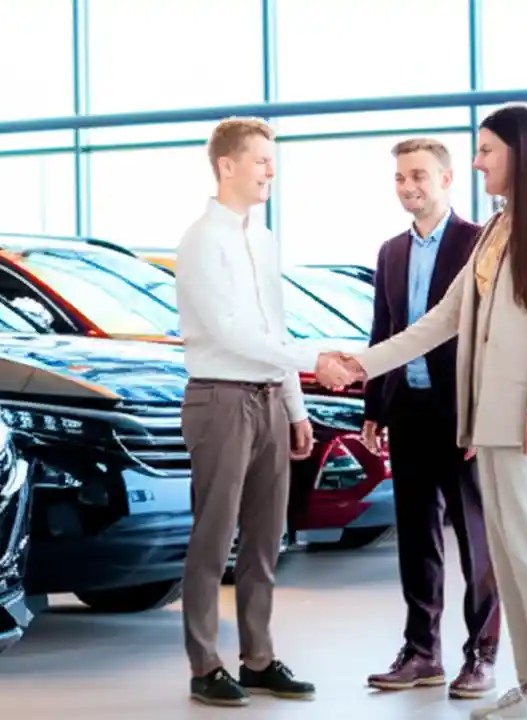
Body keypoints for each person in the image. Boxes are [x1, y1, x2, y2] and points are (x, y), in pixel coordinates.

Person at [347, 104, 527, 720]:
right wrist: (361, 365)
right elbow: (443, 320)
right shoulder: (496, 231)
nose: (477, 161)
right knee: (507, 556)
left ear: (521, 154)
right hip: (488, 422)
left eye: (487, 151)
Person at [175, 116, 359, 707]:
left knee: (264, 538)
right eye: (260, 160)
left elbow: (272, 329)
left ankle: (258, 657)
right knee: (213, 536)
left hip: (267, 401)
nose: (270, 171)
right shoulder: (201, 241)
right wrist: (314, 360)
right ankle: (205, 665)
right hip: (221, 398)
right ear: (226, 166)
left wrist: (296, 405)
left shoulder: (263, 238)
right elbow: (230, 334)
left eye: (271, 161)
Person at [362, 138, 502, 699]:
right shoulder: (391, 251)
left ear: (447, 180)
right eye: (399, 177)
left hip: (461, 413)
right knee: (416, 540)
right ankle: (422, 652)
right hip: (409, 411)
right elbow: (384, 332)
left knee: (475, 539)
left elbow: (491, 335)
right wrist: (374, 407)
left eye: (418, 175)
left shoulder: (478, 243)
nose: (407, 186)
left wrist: (484, 414)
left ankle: (482, 655)